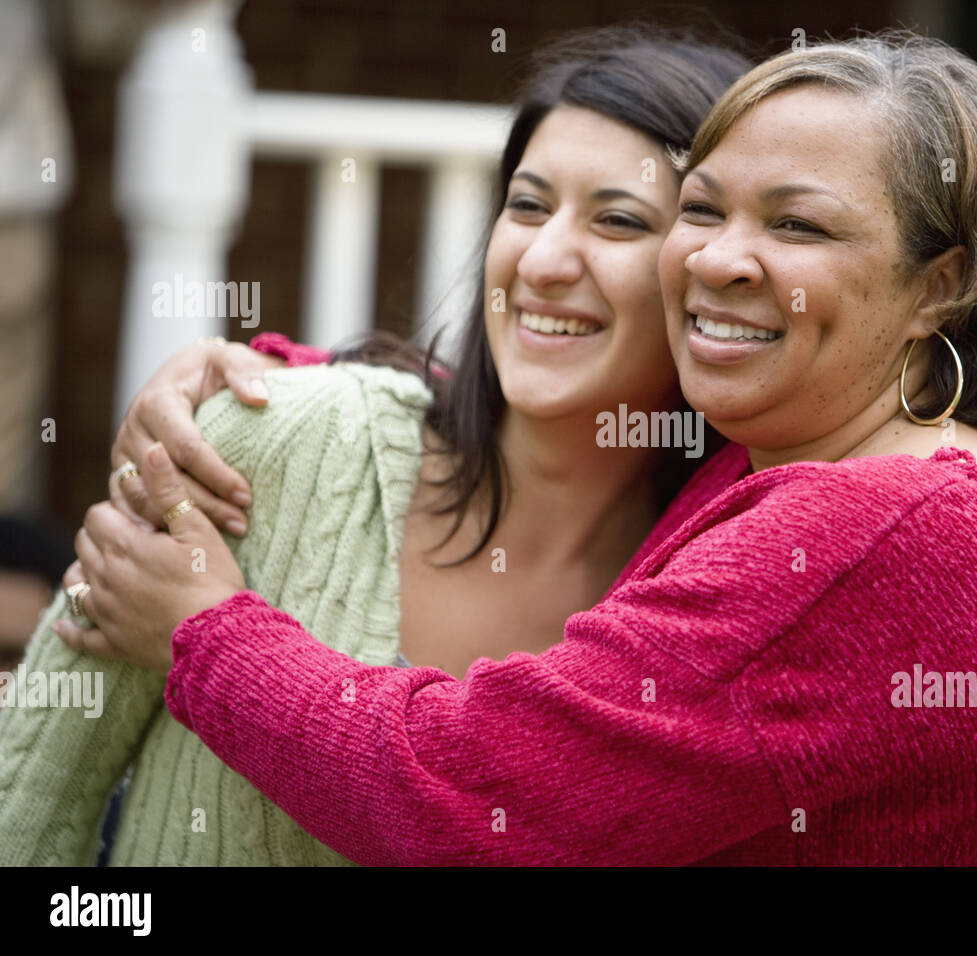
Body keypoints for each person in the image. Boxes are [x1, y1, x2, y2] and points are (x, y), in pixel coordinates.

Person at [46, 32, 977, 865]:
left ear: (940, 280)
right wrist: (293, 377)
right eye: (704, 207)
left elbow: (470, 799)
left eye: (795, 223)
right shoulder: (916, 460)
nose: (717, 259)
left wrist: (203, 629)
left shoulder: (864, 537)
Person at [0, 25, 750, 865]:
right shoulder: (263, 440)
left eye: (617, 221)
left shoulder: (710, 597)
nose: (541, 260)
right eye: (527, 205)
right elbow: (31, 794)